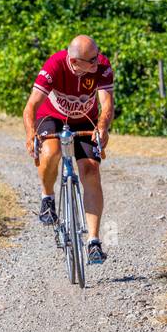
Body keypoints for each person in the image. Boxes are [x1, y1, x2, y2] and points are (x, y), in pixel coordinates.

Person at [22, 35, 115, 264]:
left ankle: (93, 241)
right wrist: (30, 133)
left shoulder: (101, 67)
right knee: (51, 153)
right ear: (74, 62)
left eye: (97, 56)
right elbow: (31, 106)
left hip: (85, 119)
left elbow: (107, 105)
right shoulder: (54, 65)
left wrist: (102, 127)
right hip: (52, 117)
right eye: (90, 60)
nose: (97, 62)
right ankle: (47, 196)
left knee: (91, 171)